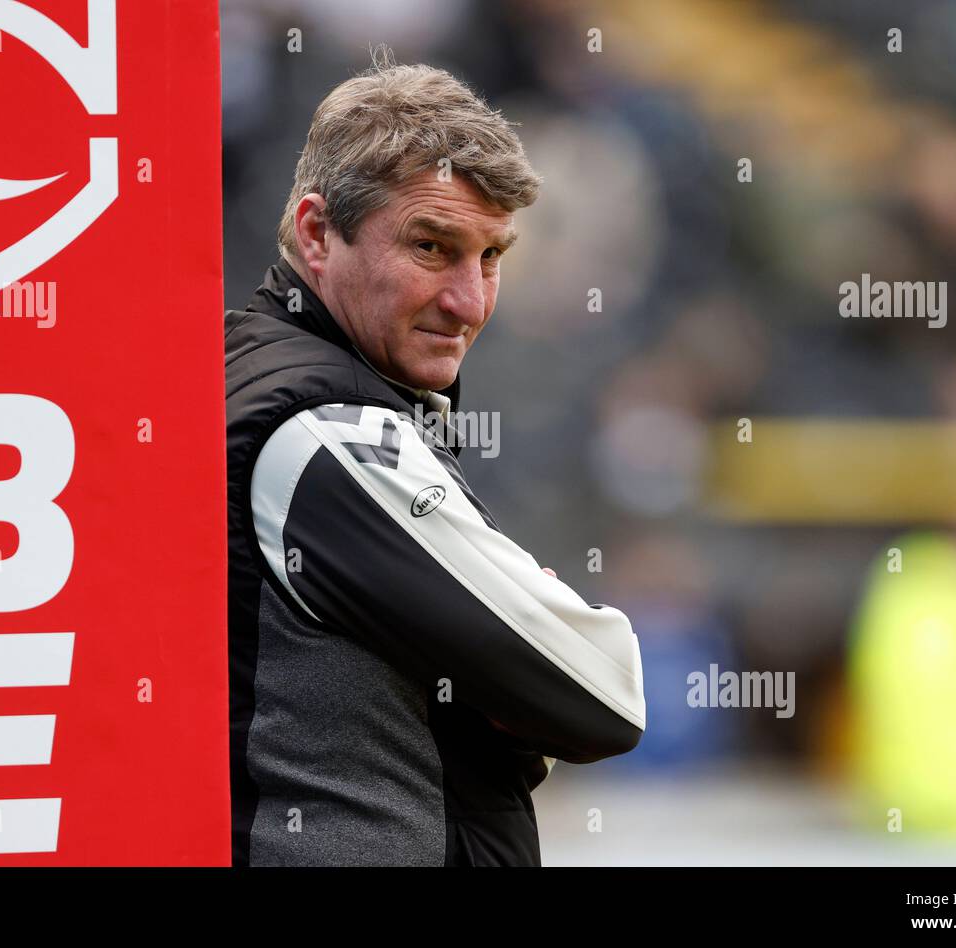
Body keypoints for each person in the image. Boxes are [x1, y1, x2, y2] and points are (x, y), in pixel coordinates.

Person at [224, 52, 646, 866]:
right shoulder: (325, 440)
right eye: (430, 247)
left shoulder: (257, 372)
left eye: (490, 256)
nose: (471, 300)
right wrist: (520, 674)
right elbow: (606, 691)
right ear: (317, 233)